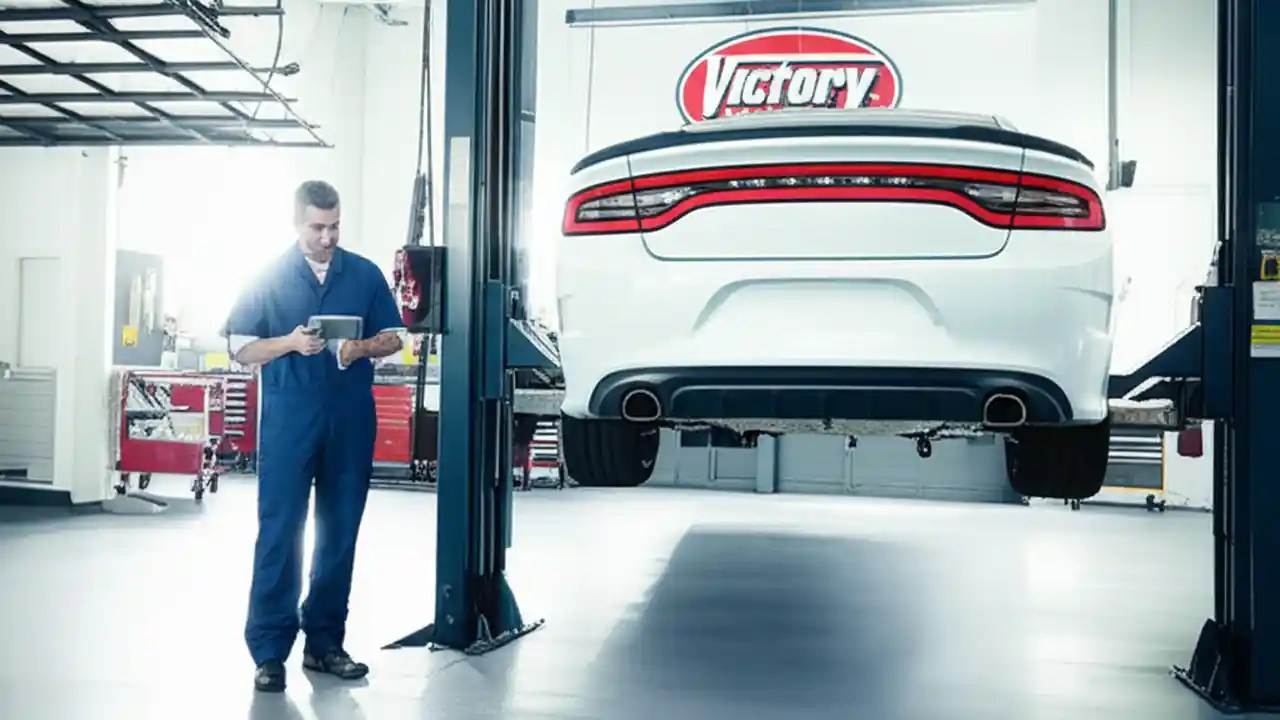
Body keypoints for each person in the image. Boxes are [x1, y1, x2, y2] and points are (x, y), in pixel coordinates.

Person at [223, 180, 405, 693]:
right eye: (317, 228)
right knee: (280, 530)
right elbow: (240, 348)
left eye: (334, 227)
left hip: (349, 419)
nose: (327, 237)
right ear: (297, 223)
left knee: (338, 531)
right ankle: (269, 651)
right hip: (289, 420)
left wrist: (360, 348)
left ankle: (325, 643)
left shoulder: (364, 274)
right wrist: (291, 342)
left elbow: (395, 338)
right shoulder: (269, 276)